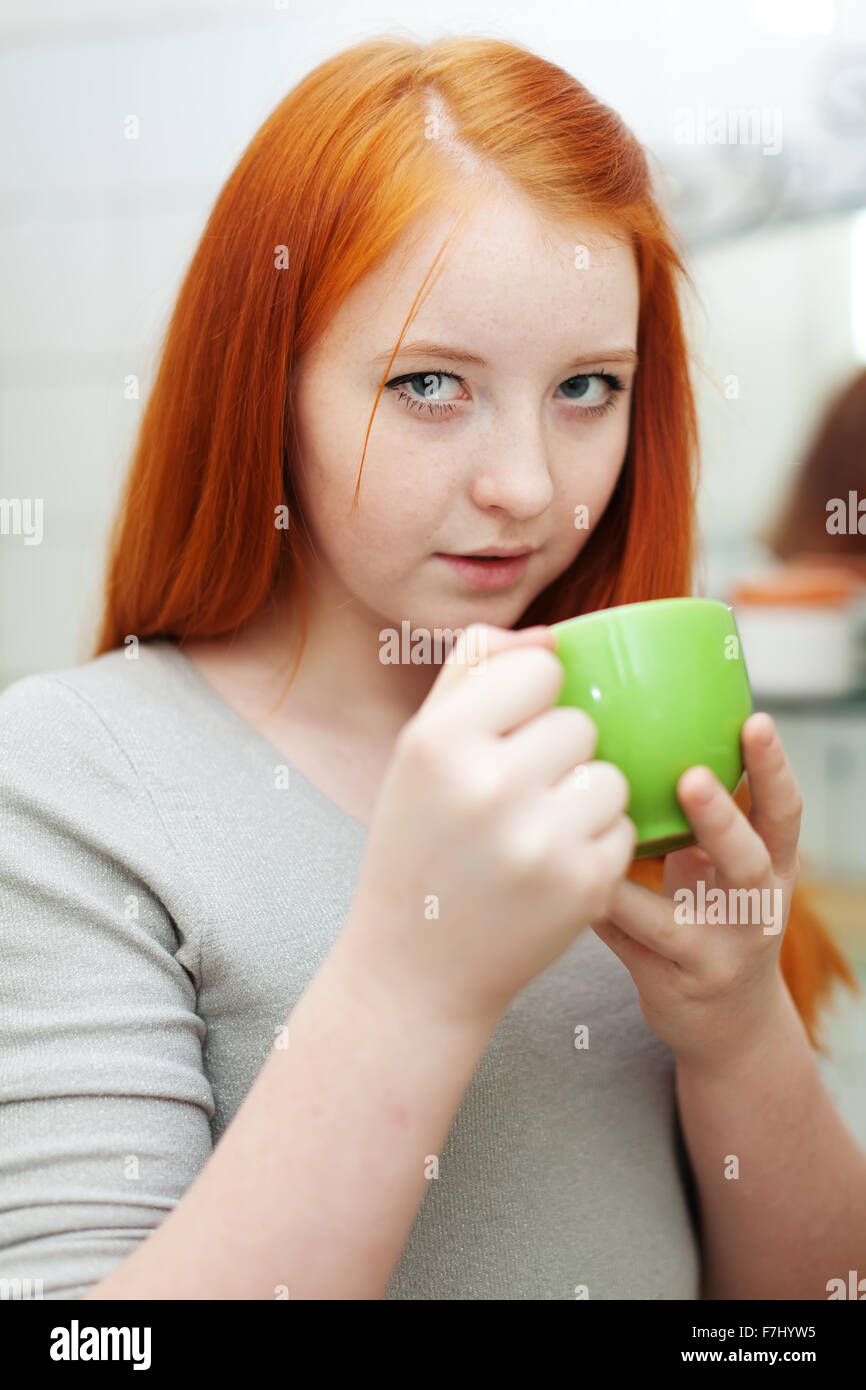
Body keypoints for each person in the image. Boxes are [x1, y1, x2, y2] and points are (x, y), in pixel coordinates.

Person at [0, 34, 862, 1303]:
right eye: (426, 384)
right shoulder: (76, 778)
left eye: (585, 385)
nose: (524, 483)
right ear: (264, 389)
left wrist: (737, 1029)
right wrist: (413, 978)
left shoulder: (628, 764)